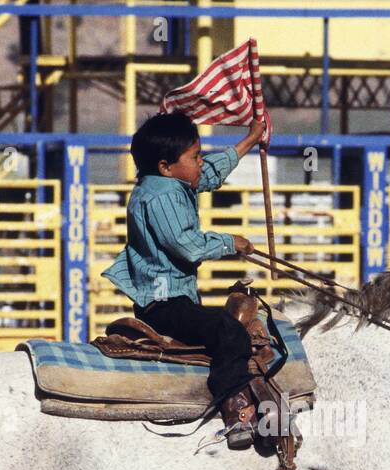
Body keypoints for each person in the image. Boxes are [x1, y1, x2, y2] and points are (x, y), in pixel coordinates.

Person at [100, 111, 267, 450]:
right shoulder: (162, 196)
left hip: (171, 300)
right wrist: (229, 242)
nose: (201, 162)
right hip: (165, 303)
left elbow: (207, 174)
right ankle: (235, 411)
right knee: (228, 330)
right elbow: (185, 244)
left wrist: (250, 139)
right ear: (166, 166)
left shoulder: (169, 182)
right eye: (195, 156)